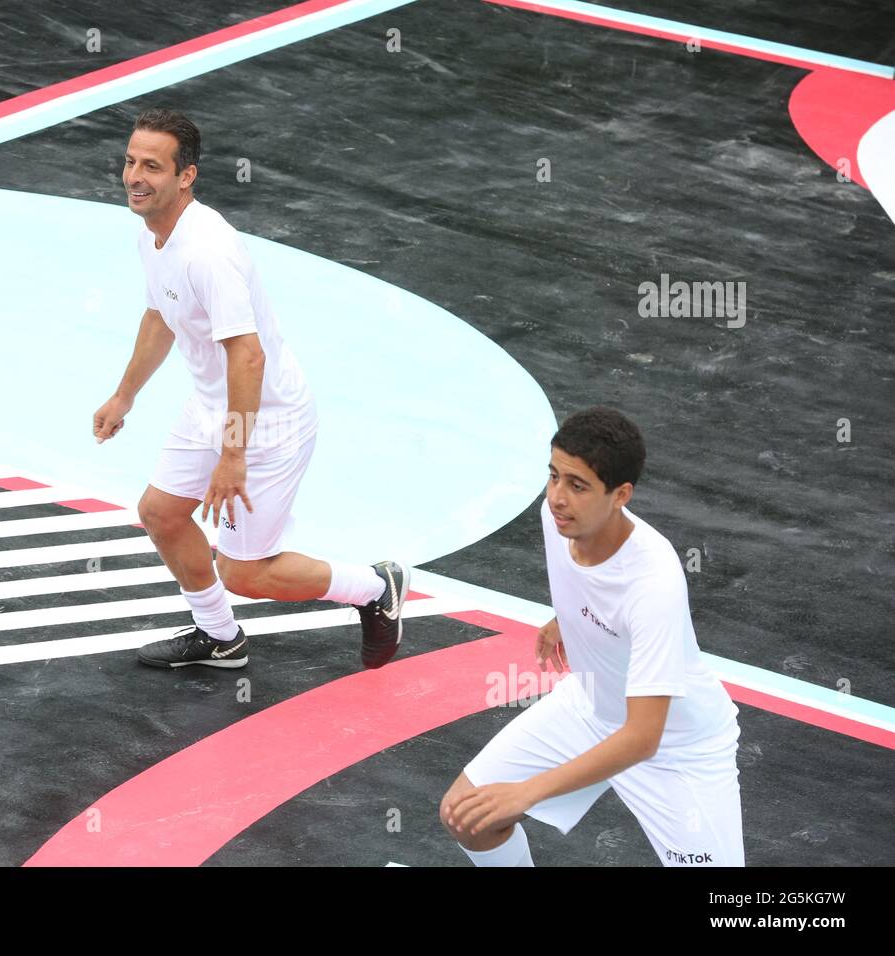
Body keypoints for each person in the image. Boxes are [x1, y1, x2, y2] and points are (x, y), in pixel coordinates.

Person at [92, 107, 407, 670]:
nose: (135, 177)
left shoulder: (206, 254)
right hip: (213, 405)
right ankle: (219, 637)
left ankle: (375, 587)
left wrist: (233, 453)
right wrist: (125, 395)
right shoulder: (155, 237)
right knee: (161, 513)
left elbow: (248, 353)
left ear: (186, 176)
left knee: (245, 572)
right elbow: (161, 317)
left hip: (269, 422)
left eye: (153, 167)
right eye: (131, 161)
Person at [440, 407, 744, 866]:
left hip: (676, 750)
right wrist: (567, 617)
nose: (558, 497)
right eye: (554, 476)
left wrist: (525, 793)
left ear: (621, 494)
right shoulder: (558, 519)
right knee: (467, 815)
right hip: (588, 708)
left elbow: (643, 737)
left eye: (577, 485)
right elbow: (589, 583)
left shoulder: (653, 585)